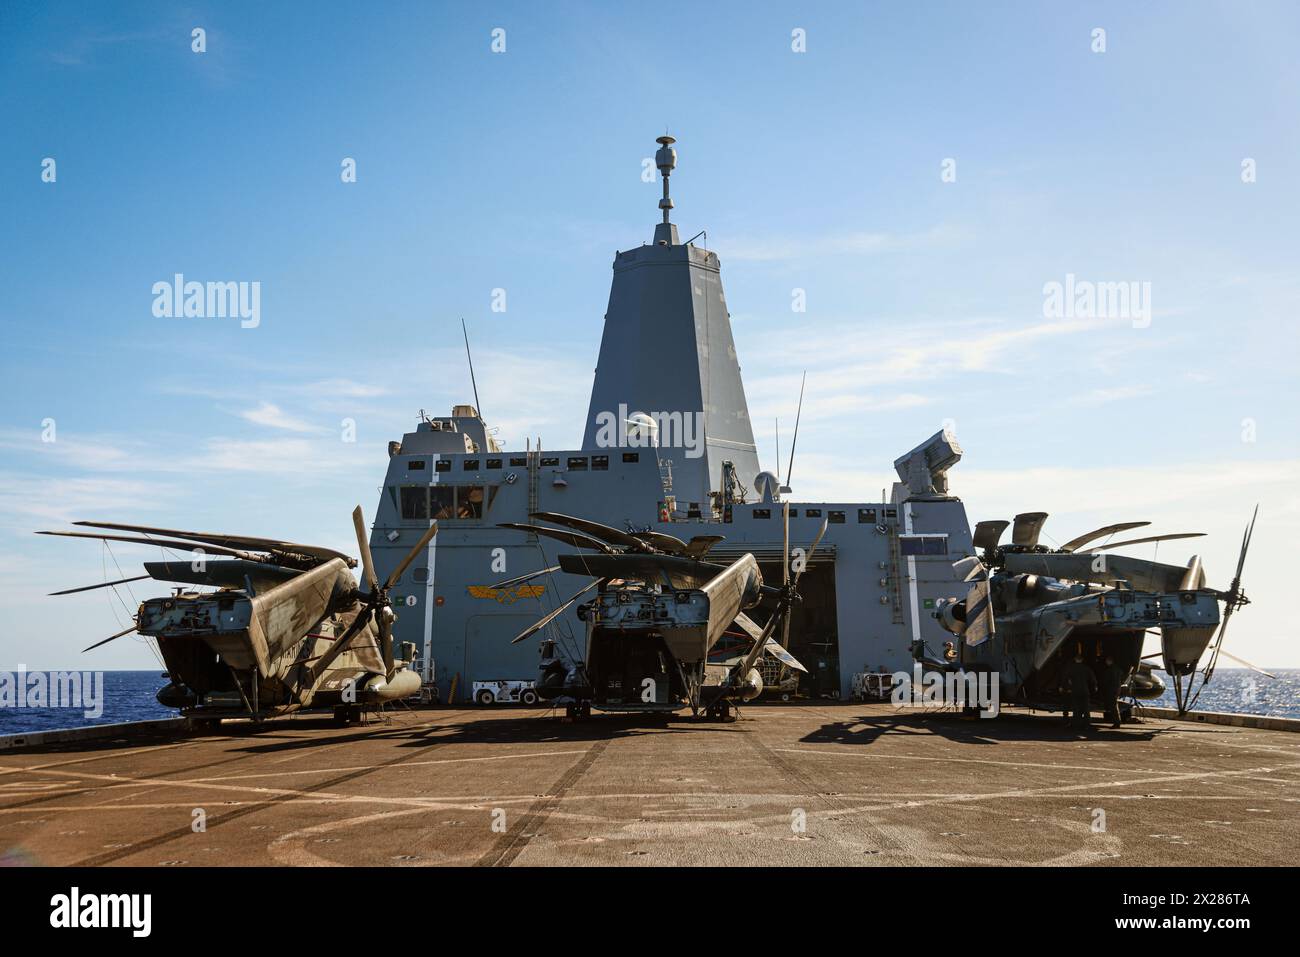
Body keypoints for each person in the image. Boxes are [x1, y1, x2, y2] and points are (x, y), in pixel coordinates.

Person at [1065, 654, 1097, 733]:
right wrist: (1094, 686)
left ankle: (1076, 725)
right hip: (1085, 691)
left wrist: (1068, 688)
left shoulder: (1071, 668)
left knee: (1076, 708)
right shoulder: (1087, 668)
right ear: (1082, 660)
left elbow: (1066, 679)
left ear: (1075, 659)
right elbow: (1092, 679)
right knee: (1086, 709)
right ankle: (1087, 725)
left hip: (1075, 691)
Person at [1099, 654, 1124, 728]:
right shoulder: (1118, 669)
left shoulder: (1109, 670)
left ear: (1109, 661)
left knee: (1113, 707)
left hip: (1111, 690)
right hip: (1117, 689)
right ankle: (1117, 721)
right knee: (1115, 706)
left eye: (1107, 661)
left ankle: (1117, 722)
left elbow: (1106, 681)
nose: (1106, 662)